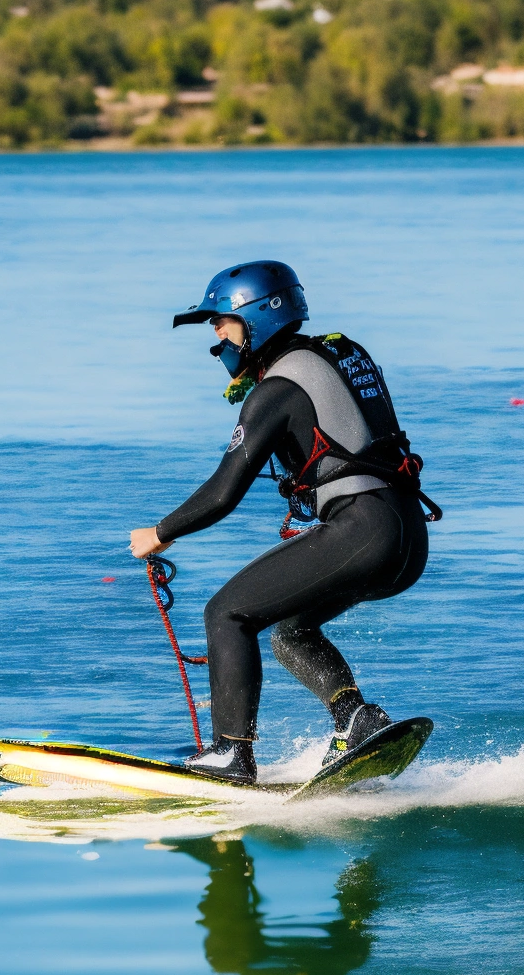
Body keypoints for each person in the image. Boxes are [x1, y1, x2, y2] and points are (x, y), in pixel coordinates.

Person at [128, 259, 435, 783]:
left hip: (363, 528)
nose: (216, 339)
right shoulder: (337, 356)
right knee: (291, 631)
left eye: (220, 323)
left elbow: (224, 492)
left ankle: (231, 754)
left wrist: (160, 533)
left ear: (255, 318)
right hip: (406, 538)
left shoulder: (279, 389)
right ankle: (354, 720)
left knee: (227, 614)